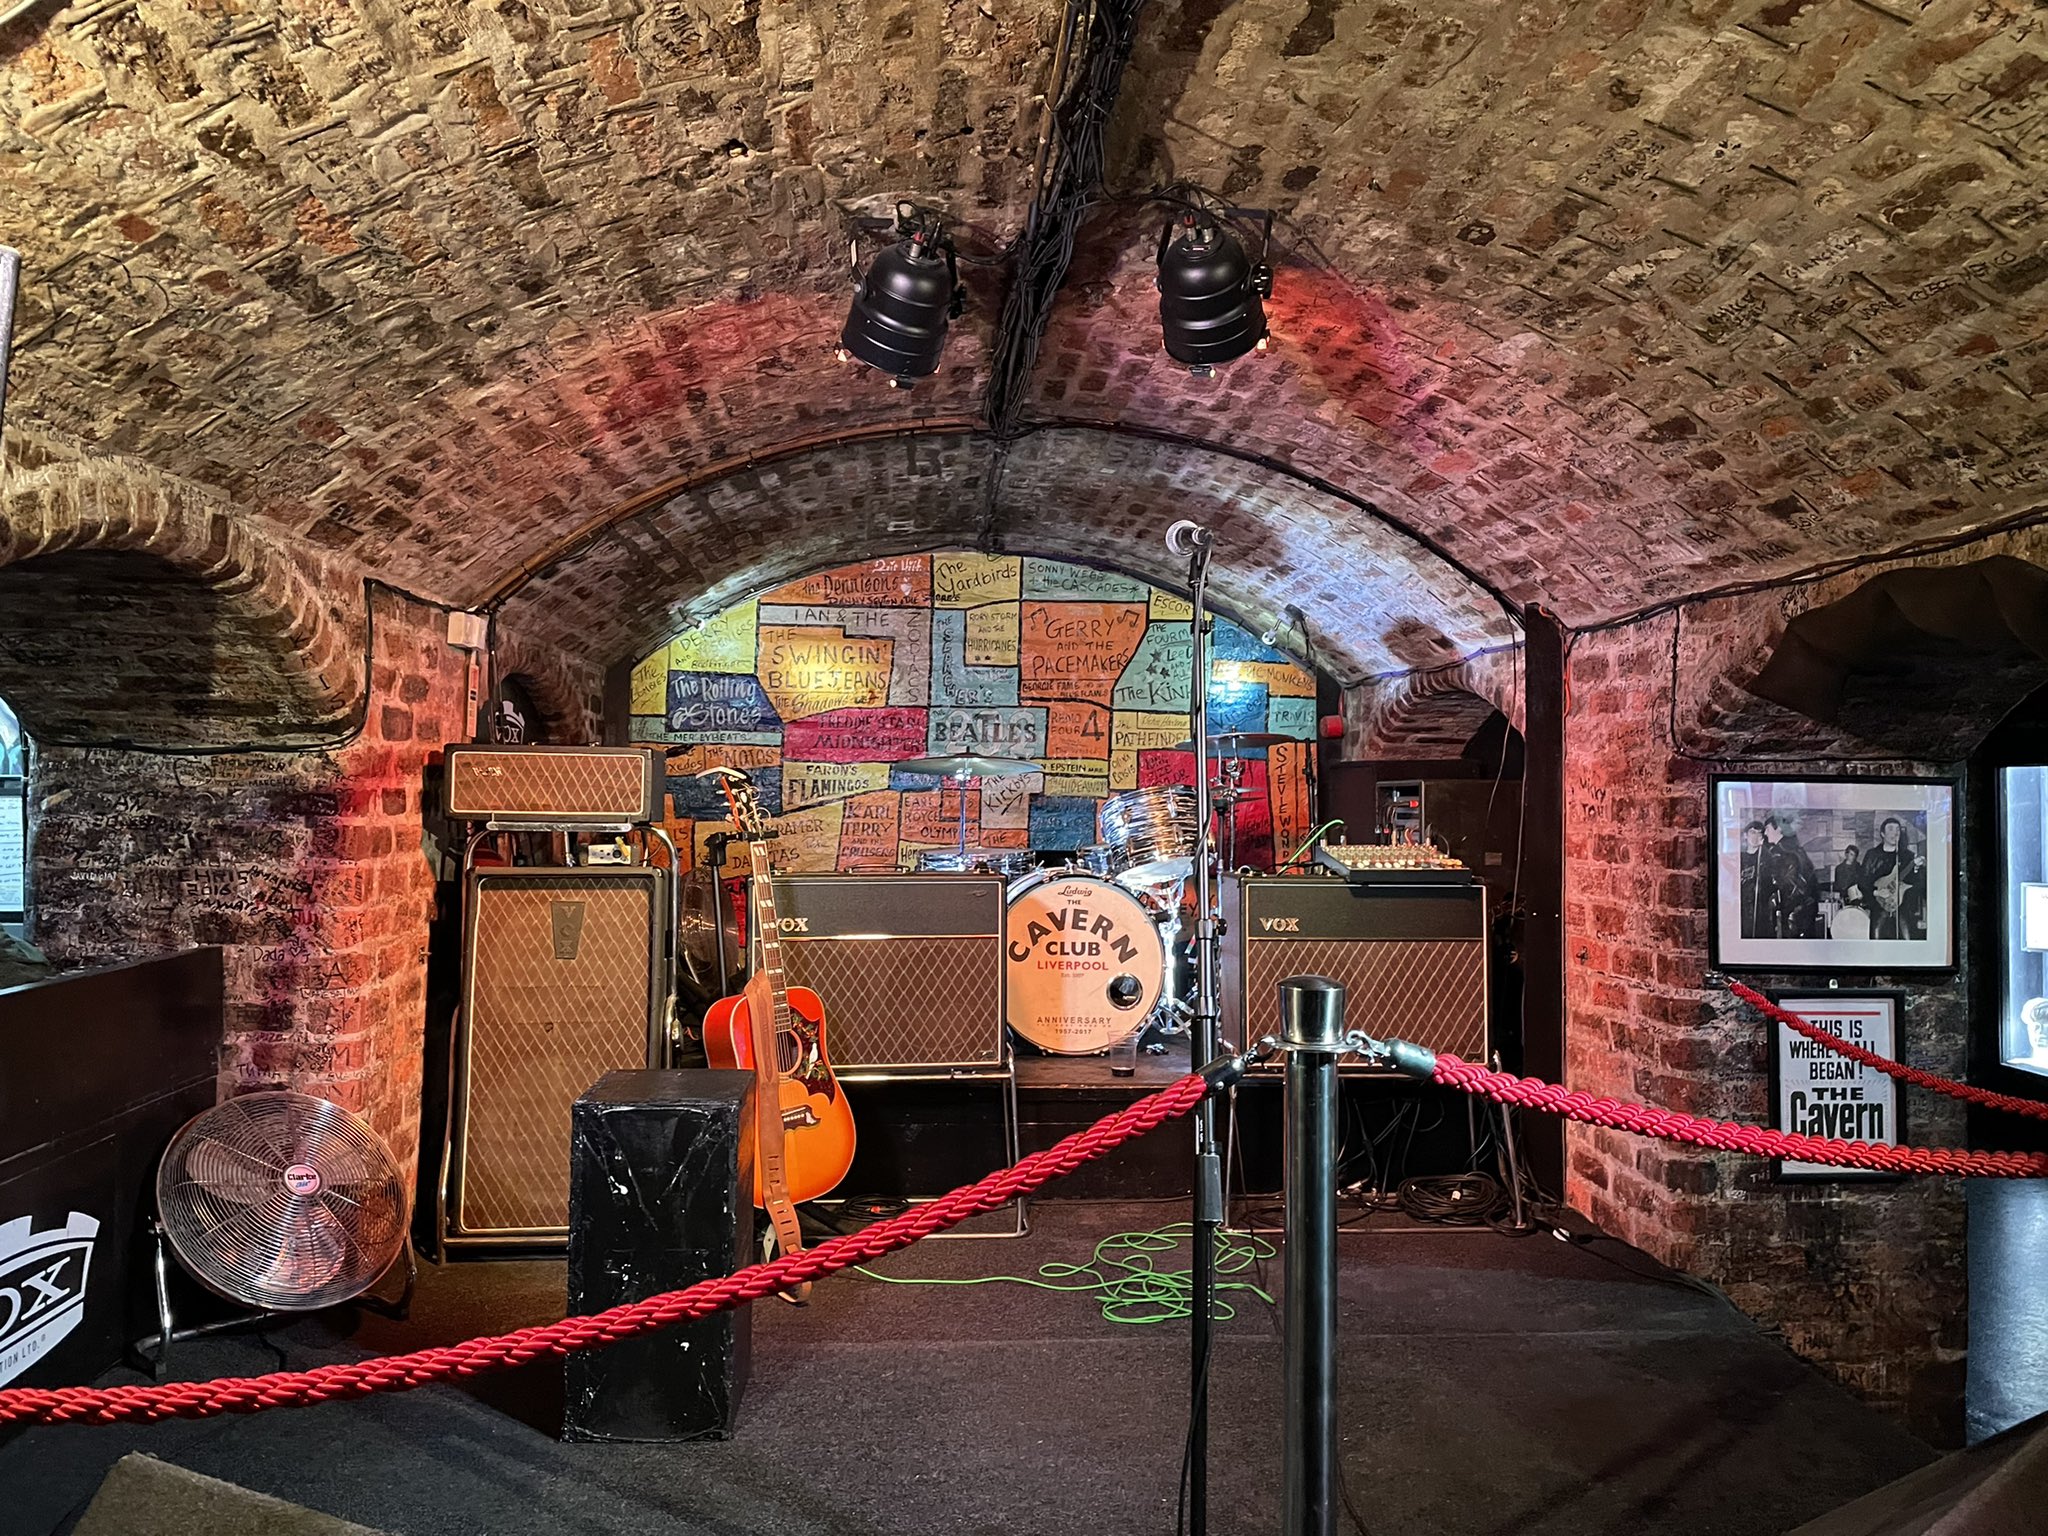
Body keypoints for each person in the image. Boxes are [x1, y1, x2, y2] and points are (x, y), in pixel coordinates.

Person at [1864, 817, 1922, 940]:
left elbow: (1916, 883)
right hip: (1879, 907)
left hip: (1903, 908)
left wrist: (1916, 869)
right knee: (1877, 946)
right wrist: (1877, 892)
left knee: (1908, 942)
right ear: (1882, 834)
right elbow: (1862, 882)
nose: (1895, 833)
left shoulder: (1908, 856)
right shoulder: (1872, 855)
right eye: (1890, 829)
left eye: (1897, 830)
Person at [1762, 815, 1820, 939]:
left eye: (1767, 829)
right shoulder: (1794, 849)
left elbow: (1790, 887)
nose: (1765, 833)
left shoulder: (1782, 852)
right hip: (1803, 910)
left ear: (1779, 829)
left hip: (1793, 914)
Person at [1739, 821, 1771, 938]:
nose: (1755, 837)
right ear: (1745, 835)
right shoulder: (1739, 858)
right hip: (1742, 906)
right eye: (1752, 833)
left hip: (1760, 907)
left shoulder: (1766, 858)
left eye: (1759, 834)